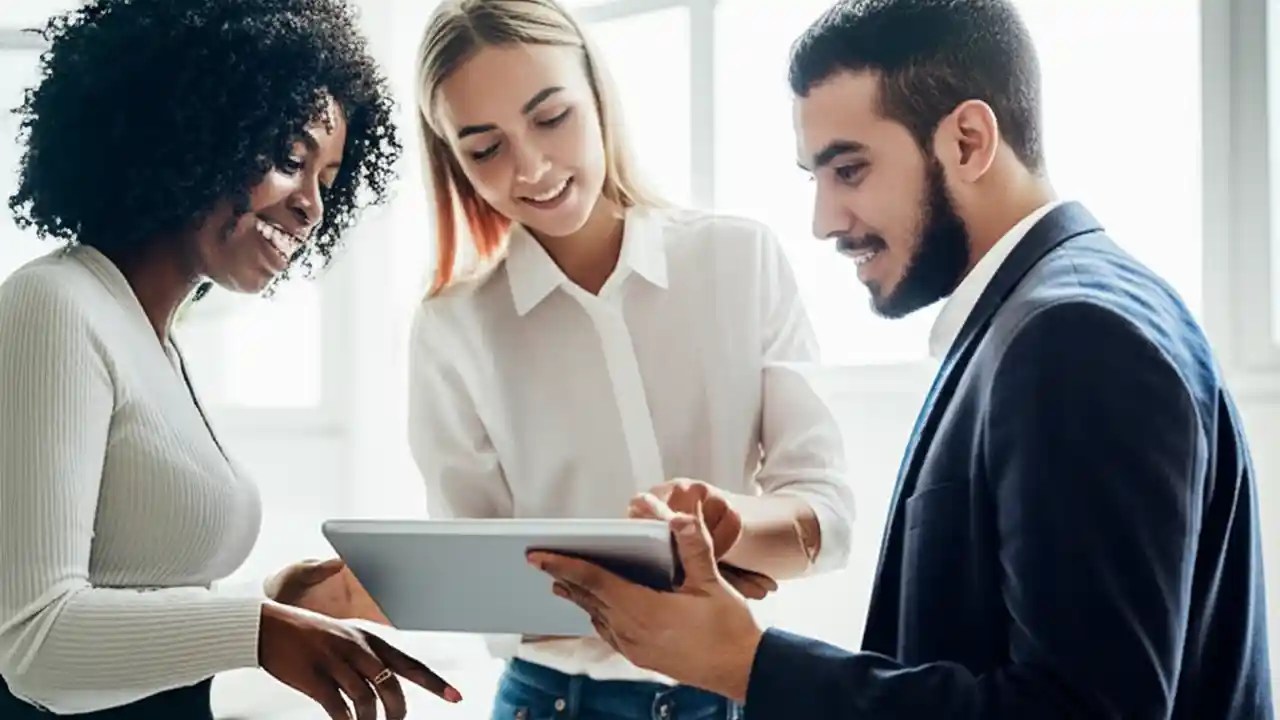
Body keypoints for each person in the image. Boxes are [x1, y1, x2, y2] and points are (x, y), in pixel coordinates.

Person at [530, 0, 1276, 718]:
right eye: (814, 178)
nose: (824, 221)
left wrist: (745, 664)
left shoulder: (1075, 338)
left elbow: (1076, 710)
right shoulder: (1042, 317)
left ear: (968, 142)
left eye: (849, 170)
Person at [0, 1, 463, 718]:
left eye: (328, 180)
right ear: (194, 131)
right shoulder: (56, 306)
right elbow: (34, 643)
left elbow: (127, 592)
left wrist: (281, 600)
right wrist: (258, 629)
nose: (311, 206)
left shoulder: (150, 336)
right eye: (288, 160)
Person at [406, 0, 856, 718]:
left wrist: (729, 526)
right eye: (486, 148)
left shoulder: (738, 259)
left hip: (723, 693)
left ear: (597, 93)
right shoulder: (454, 326)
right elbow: (478, 585)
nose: (533, 167)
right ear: (453, 160)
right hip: (550, 701)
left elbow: (827, 519)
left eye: (552, 117)